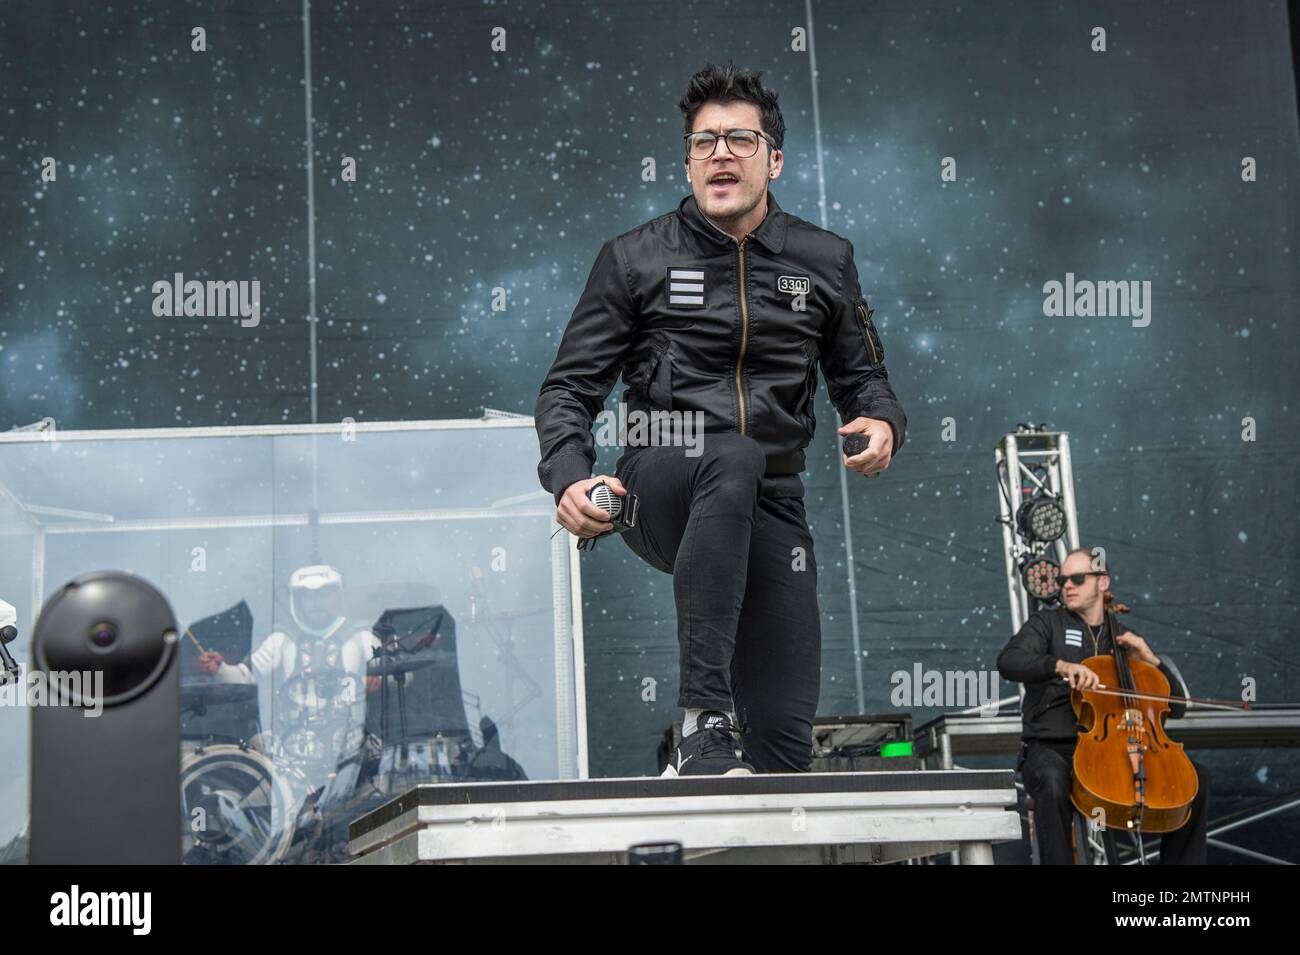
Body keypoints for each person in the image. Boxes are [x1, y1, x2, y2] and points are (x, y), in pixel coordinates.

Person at [534, 62, 908, 776]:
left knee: (781, 748)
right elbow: (568, 389)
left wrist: (879, 420)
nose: (721, 155)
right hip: (659, 476)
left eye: (740, 139)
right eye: (704, 143)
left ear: (774, 158)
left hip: (773, 497)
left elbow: (862, 375)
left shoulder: (825, 260)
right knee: (728, 453)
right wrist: (569, 476)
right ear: (686, 161)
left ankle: (735, 765)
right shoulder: (634, 259)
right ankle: (703, 719)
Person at [997, 547, 1209, 864]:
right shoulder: (1046, 624)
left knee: (1196, 780)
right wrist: (1061, 666)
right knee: (1053, 782)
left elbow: (1176, 706)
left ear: (1103, 582)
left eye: (1078, 578)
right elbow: (1009, 661)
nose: (1067, 585)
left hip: (1118, 749)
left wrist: (1151, 660)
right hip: (1056, 747)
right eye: (1063, 579)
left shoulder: (1124, 638)